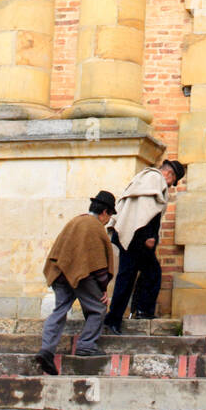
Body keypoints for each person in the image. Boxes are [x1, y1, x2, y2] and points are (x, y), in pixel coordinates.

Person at [34, 191, 118, 375]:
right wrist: (102, 289)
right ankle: (86, 345)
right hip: (81, 274)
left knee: (60, 310)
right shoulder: (94, 227)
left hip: (60, 272)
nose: (108, 219)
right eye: (110, 215)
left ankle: (46, 350)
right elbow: (97, 263)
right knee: (98, 307)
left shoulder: (75, 221)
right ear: (104, 212)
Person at [103, 159, 186, 334]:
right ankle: (119, 318)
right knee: (141, 274)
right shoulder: (157, 180)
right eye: (173, 181)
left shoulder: (143, 176)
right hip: (139, 236)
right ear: (170, 174)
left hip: (130, 231)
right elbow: (150, 210)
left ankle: (137, 311)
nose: (170, 185)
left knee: (141, 273)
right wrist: (149, 235)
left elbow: (134, 207)